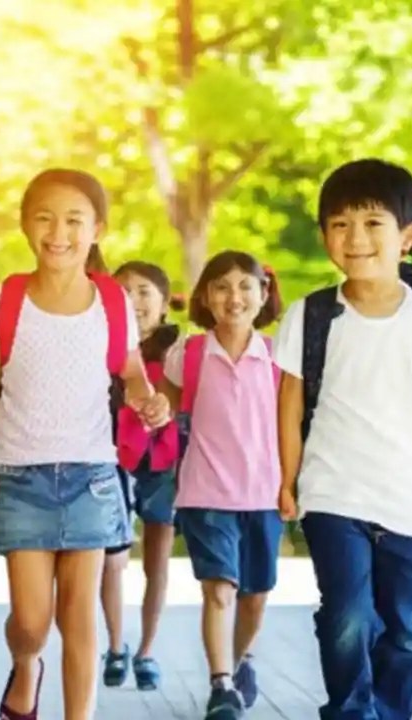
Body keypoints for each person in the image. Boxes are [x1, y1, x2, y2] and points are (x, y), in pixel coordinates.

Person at [0, 168, 171, 720]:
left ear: (97, 228)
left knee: (79, 618)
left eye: (74, 220)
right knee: (31, 622)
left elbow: (127, 368)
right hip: (21, 477)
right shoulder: (3, 300)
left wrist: (146, 395)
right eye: (45, 218)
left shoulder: (111, 301)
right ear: (25, 225)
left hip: (93, 476)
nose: (59, 232)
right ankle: (27, 665)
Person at [273, 159, 412, 720]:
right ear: (324, 237)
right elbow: (288, 408)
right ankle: (352, 711)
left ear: (408, 236)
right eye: (339, 224)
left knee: (406, 627)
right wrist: (287, 481)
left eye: (372, 223)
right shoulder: (310, 315)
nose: (355, 238)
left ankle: (387, 711)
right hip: (333, 493)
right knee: (348, 612)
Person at [160, 251, 283, 719]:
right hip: (205, 492)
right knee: (220, 590)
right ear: (206, 297)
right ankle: (221, 685)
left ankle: (239, 661)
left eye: (244, 286)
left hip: (265, 494)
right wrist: (152, 408)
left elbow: (292, 427)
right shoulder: (188, 354)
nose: (235, 297)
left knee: (254, 598)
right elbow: (166, 407)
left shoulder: (276, 358)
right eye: (222, 287)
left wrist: (293, 485)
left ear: (263, 294)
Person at [101, 260, 183, 692]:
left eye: (143, 291)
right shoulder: (100, 344)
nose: (133, 300)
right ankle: (115, 646)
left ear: (164, 303)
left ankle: (146, 651)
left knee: (158, 562)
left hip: (163, 464)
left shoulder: (180, 348)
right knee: (112, 560)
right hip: (110, 462)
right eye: (123, 291)